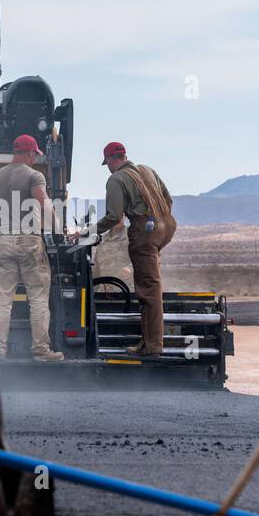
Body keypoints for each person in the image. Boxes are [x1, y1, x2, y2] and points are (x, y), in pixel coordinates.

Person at [0, 134, 63, 361]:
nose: (35, 159)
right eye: (34, 154)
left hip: (3, 242)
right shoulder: (34, 176)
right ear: (28, 153)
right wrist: (59, 230)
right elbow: (44, 204)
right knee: (37, 298)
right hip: (29, 241)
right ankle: (40, 350)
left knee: (3, 299)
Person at [92, 142, 176, 356]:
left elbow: (113, 216)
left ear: (112, 160)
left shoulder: (116, 179)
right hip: (165, 226)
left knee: (148, 289)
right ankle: (149, 341)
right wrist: (158, 221)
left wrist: (88, 232)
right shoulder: (147, 170)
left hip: (144, 231)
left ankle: (153, 345)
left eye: (108, 163)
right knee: (151, 281)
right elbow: (168, 199)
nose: (108, 167)